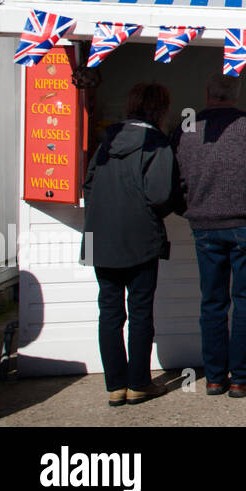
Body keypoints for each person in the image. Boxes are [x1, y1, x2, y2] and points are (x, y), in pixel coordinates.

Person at [172, 74, 246, 398]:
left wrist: (190, 210)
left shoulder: (188, 127)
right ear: (237, 95)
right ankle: (241, 377)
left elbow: (174, 180)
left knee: (212, 303)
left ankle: (213, 378)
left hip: (205, 227)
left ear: (207, 94)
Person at [81, 82, 184, 407]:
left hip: (98, 237)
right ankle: (139, 383)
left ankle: (115, 386)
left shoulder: (106, 139)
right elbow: (160, 196)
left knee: (109, 311)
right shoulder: (158, 144)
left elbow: (89, 184)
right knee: (140, 312)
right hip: (140, 238)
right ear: (161, 109)